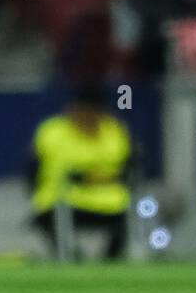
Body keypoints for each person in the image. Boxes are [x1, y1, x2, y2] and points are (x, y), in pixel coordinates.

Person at [27, 86, 135, 260]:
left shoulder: (114, 130)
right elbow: (38, 167)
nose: (87, 117)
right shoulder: (52, 132)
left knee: (126, 218)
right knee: (49, 218)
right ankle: (72, 257)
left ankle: (110, 262)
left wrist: (96, 178)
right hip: (62, 197)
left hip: (111, 199)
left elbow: (126, 166)